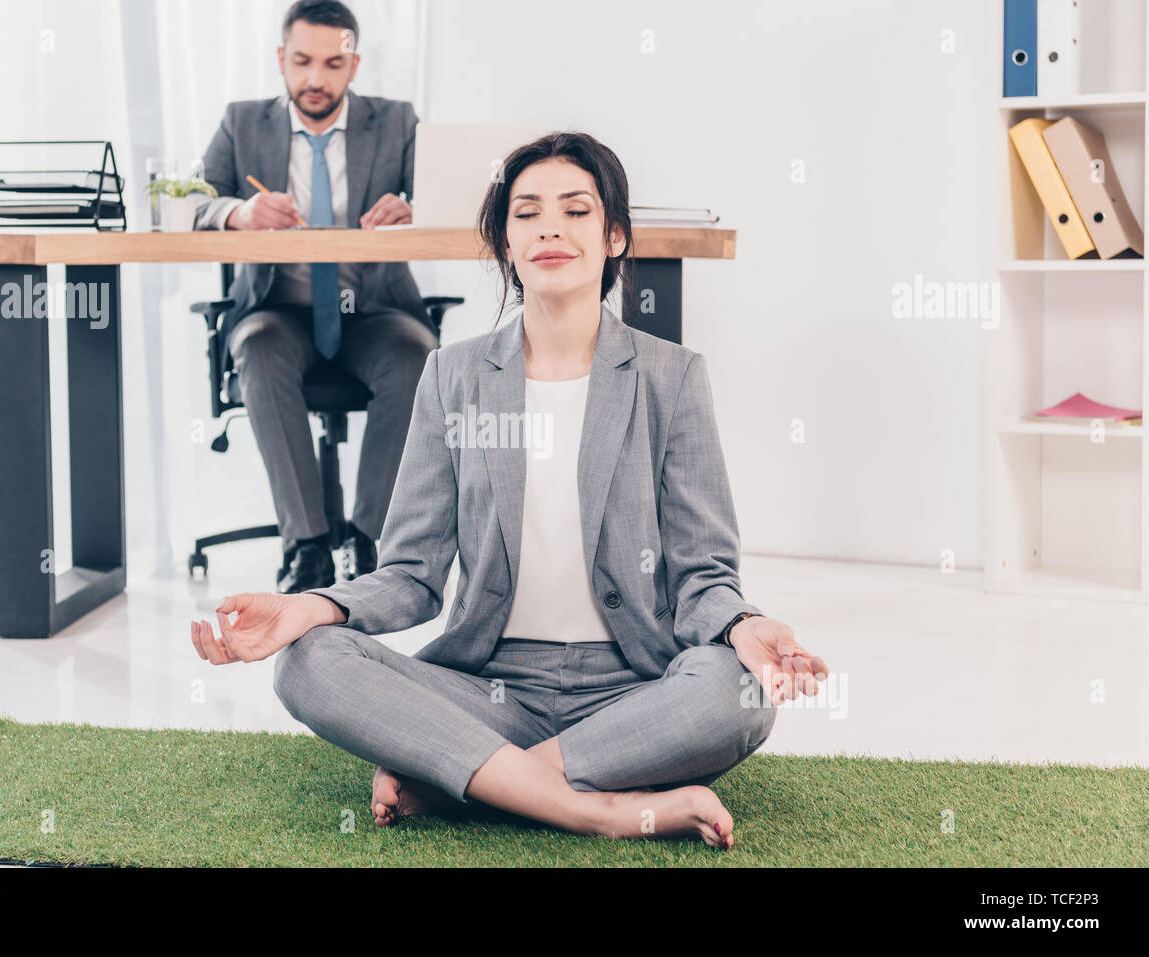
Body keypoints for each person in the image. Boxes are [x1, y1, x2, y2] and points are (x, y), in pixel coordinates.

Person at [191, 131, 830, 848]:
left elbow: (702, 574)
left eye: (576, 210)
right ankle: (599, 808)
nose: (550, 227)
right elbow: (411, 575)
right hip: (489, 688)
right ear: (504, 241)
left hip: (632, 688)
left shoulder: (672, 376)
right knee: (308, 658)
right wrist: (307, 606)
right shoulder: (451, 376)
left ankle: (476, 780)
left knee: (741, 690)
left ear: (616, 235)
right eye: (526, 212)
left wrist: (745, 625)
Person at [194, 0, 437, 591]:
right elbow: (195, 203)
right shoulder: (242, 122)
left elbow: (455, 202)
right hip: (280, 309)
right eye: (302, 61)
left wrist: (415, 209)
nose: (315, 79)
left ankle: (369, 539)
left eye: (333, 63)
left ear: (354, 65)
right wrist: (239, 211)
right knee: (255, 345)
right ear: (282, 59)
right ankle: (307, 546)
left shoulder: (398, 122)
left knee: (417, 354)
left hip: (373, 309)